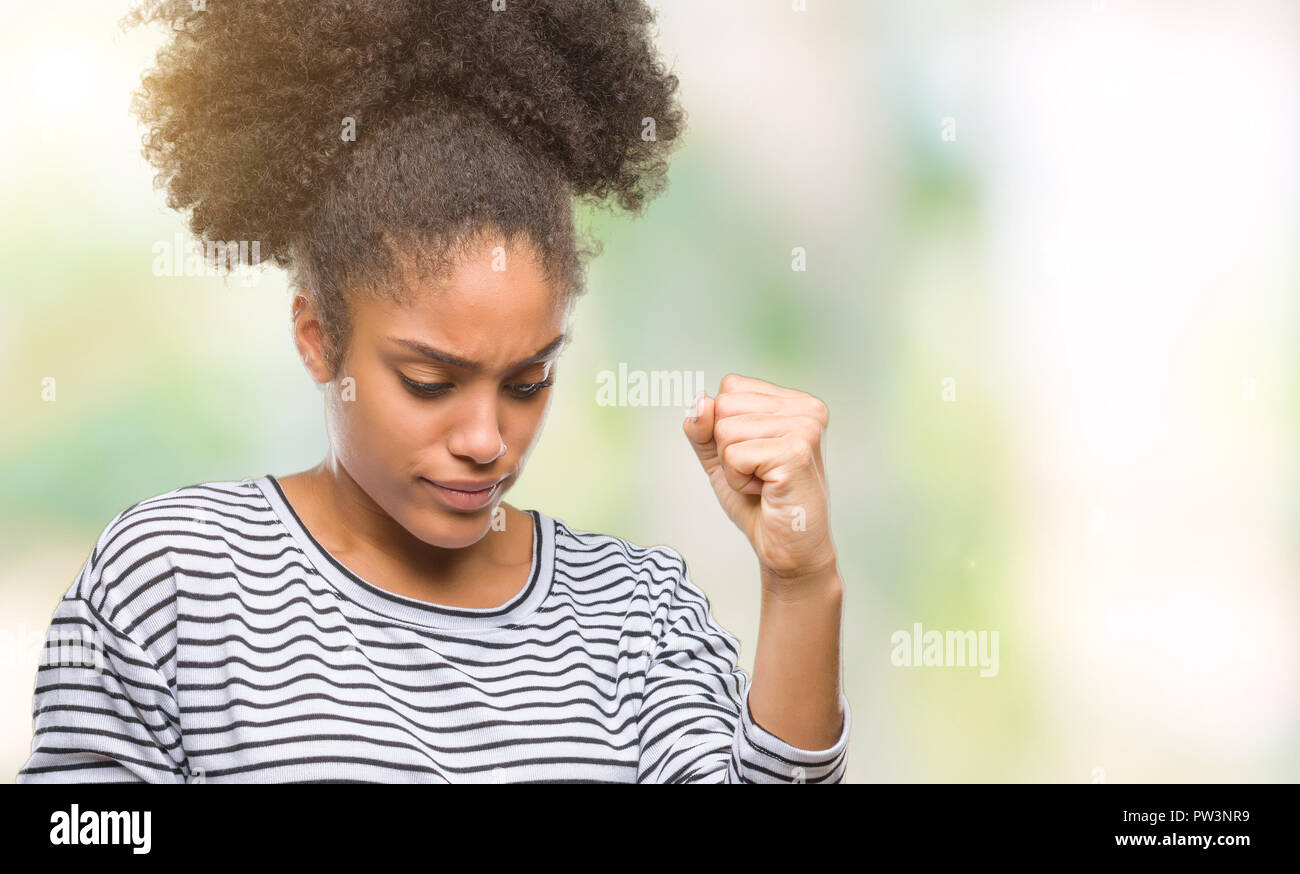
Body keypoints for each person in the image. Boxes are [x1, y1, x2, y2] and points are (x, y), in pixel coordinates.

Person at [17, 0, 849, 783]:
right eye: (429, 381)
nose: (487, 438)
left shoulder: (636, 616)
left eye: (529, 382)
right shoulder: (175, 582)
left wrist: (803, 583)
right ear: (317, 337)